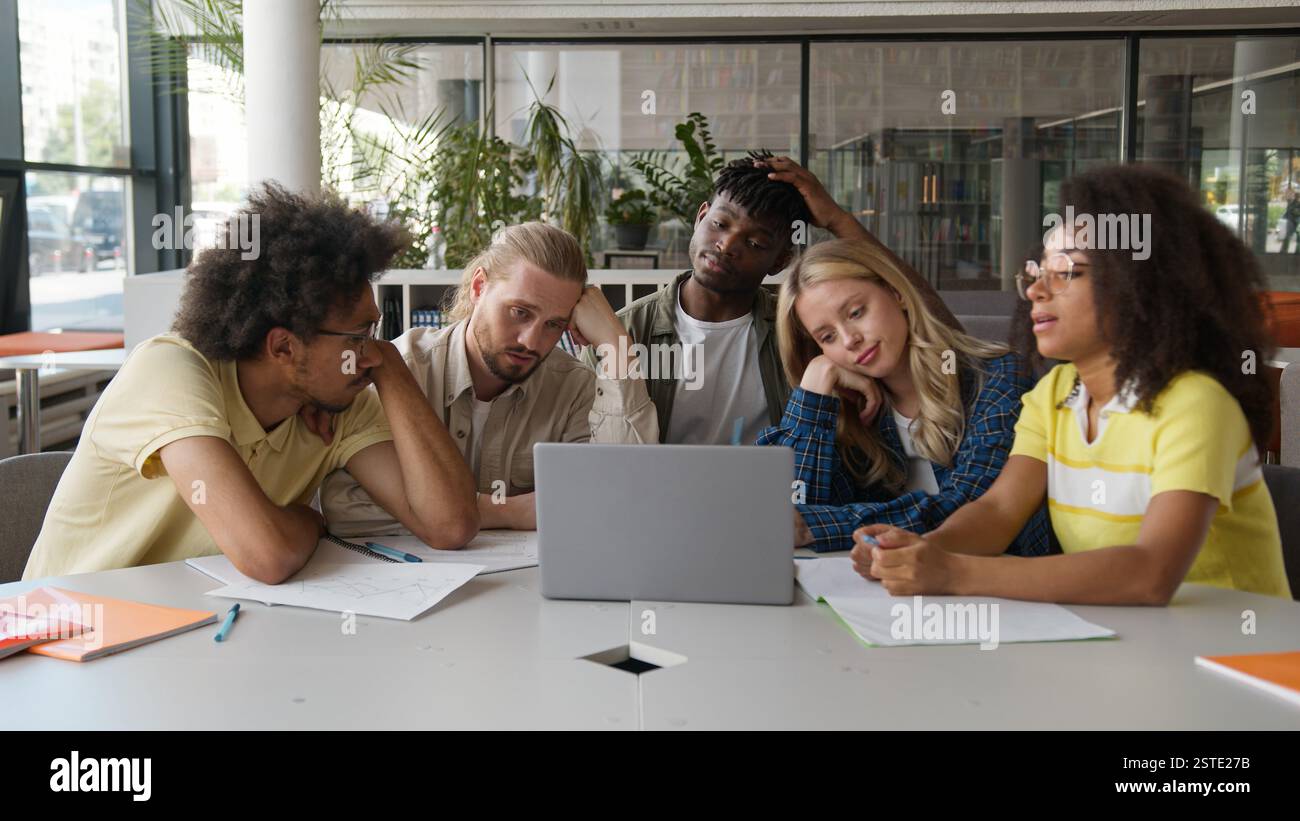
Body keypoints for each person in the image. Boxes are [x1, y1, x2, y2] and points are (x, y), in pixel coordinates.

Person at [851, 164, 1291, 603]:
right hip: (1125, 643)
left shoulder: (1195, 402)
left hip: (1228, 656)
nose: (1036, 291)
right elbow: (998, 511)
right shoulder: (1056, 391)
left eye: (1070, 272)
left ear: (1145, 283)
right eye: (1037, 272)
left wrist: (952, 572)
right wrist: (921, 551)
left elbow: (1151, 573)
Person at [24, 184, 479, 582]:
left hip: (188, 632)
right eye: (360, 336)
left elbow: (448, 526)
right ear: (283, 348)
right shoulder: (169, 372)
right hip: (70, 637)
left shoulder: (336, 397)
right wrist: (309, 520)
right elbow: (269, 555)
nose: (371, 354)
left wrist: (393, 370)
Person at [588, 151, 960, 444]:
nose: (727, 245)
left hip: (781, 511)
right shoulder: (625, 332)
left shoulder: (806, 330)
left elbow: (930, 323)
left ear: (780, 260)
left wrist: (835, 219)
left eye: (755, 243)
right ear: (701, 217)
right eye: (720, 223)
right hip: (657, 510)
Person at [321, 221, 655, 535]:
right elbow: (344, 506)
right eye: (520, 312)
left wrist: (616, 345)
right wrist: (509, 511)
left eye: (553, 324)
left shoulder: (573, 388)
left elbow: (623, 498)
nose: (531, 341)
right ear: (480, 287)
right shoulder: (401, 372)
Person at [758, 238, 1049, 555]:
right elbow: (790, 513)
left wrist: (814, 526)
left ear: (896, 293)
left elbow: (971, 511)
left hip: (1005, 592)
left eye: (856, 312)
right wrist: (813, 394)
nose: (850, 339)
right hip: (881, 593)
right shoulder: (847, 412)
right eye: (827, 337)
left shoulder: (999, 377)